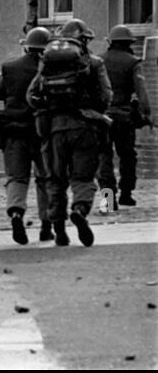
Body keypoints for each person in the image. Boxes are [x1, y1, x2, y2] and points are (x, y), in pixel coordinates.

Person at [28, 20, 111, 247]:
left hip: (54, 130)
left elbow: (32, 96)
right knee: (83, 177)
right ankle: (80, 210)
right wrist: (93, 111)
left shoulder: (47, 63)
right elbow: (105, 96)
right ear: (84, 40)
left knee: (55, 180)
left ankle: (58, 228)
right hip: (85, 128)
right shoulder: (94, 63)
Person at [0, 27, 53, 244]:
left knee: (17, 177)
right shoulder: (51, 68)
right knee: (45, 177)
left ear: (26, 45)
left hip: (13, 130)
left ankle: (16, 213)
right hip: (42, 130)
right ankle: (47, 224)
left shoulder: (10, 67)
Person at [99, 25, 150, 208]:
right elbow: (141, 92)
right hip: (123, 117)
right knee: (127, 156)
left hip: (102, 117)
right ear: (129, 43)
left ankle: (108, 198)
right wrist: (146, 113)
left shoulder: (99, 61)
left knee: (104, 158)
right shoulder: (133, 62)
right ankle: (126, 194)